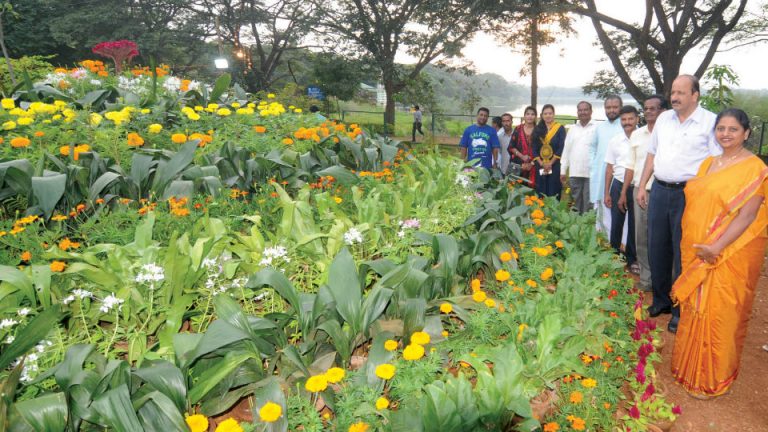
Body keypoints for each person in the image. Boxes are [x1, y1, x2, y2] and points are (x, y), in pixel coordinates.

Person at [670, 108, 767, 399]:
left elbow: (748, 216)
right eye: (721, 128)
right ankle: (688, 370)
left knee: (720, 312)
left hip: (727, 253)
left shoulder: (754, 169)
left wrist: (717, 247)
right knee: (695, 307)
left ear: (746, 133)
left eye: (733, 129)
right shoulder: (708, 164)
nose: (726, 134)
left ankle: (712, 377)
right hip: (697, 248)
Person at [636, 74, 722, 333]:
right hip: (660, 190)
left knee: (683, 252)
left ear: (695, 95)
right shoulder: (663, 119)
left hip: (691, 194)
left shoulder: (709, 122)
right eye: (673, 92)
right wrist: (642, 185)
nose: (674, 97)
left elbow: (717, 164)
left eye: (681, 92)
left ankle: (679, 308)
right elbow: (652, 154)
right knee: (657, 248)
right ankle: (661, 300)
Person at [621, 95, 668, 286]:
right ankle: (646, 279)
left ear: (663, 111)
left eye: (653, 108)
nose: (648, 111)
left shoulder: (668, 133)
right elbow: (630, 166)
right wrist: (624, 191)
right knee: (640, 237)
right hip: (639, 191)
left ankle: (663, 280)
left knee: (661, 239)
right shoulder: (637, 135)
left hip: (662, 191)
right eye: (646, 108)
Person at [604, 105, 639, 268]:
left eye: (630, 118)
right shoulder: (615, 141)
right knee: (616, 223)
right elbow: (609, 167)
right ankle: (614, 256)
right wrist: (606, 193)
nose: (627, 122)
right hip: (617, 185)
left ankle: (632, 259)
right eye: (624, 119)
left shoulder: (644, 138)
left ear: (637, 119)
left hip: (637, 186)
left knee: (634, 224)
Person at [590, 95, 623, 234]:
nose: (611, 110)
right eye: (608, 107)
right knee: (600, 208)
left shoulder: (626, 125)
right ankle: (601, 239)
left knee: (617, 208)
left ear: (620, 107)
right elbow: (592, 147)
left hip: (619, 176)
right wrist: (594, 164)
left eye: (615, 107)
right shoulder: (600, 127)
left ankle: (618, 243)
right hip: (600, 174)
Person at [561, 101, 597, 214]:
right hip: (575, 173)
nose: (583, 112)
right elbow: (566, 150)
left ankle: (587, 229)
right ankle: (575, 228)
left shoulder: (597, 128)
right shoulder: (572, 129)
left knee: (588, 205)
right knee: (575, 204)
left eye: (585, 109)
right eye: (580, 110)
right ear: (577, 112)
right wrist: (563, 170)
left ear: (591, 111)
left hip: (590, 174)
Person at [532, 104, 566, 198]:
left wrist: (550, 162)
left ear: (554, 114)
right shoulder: (537, 129)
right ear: (542, 115)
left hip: (554, 165)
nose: (548, 115)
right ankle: (541, 210)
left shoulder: (560, 128)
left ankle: (553, 211)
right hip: (540, 165)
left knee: (553, 189)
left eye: (550, 113)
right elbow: (534, 148)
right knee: (541, 189)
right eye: (545, 113)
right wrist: (541, 163)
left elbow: (561, 147)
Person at [509, 106, 537, 188]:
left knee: (532, 194)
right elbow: (511, 147)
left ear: (535, 117)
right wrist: (522, 157)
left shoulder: (539, 130)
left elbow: (542, 150)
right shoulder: (518, 129)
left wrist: (531, 164)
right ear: (524, 116)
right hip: (518, 165)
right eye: (527, 114)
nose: (530, 116)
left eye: (532, 114)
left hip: (534, 166)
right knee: (515, 190)